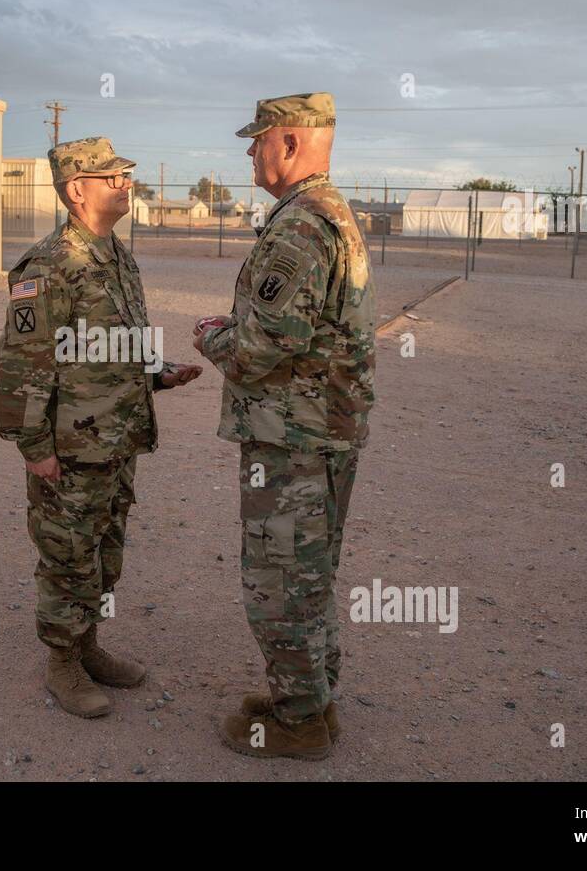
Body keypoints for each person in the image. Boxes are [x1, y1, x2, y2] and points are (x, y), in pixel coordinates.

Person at [194, 94, 375, 758]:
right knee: (309, 574)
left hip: (292, 437)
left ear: (291, 143)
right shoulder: (329, 214)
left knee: (276, 581)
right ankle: (314, 701)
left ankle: (298, 722)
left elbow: (258, 349)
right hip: (321, 431)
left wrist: (210, 335)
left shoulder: (300, 226)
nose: (250, 151)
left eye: (258, 139)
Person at [0, 136, 203, 718]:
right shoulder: (48, 265)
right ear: (76, 189)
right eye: (111, 177)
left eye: (126, 175)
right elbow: (22, 361)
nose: (124, 183)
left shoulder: (116, 253)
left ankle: (89, 646)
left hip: (118, 436)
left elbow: (114, 344)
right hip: (70, 443)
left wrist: (158, 375)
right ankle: (62, 660)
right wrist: (34, 446)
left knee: (106, 549)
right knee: (67, 553)